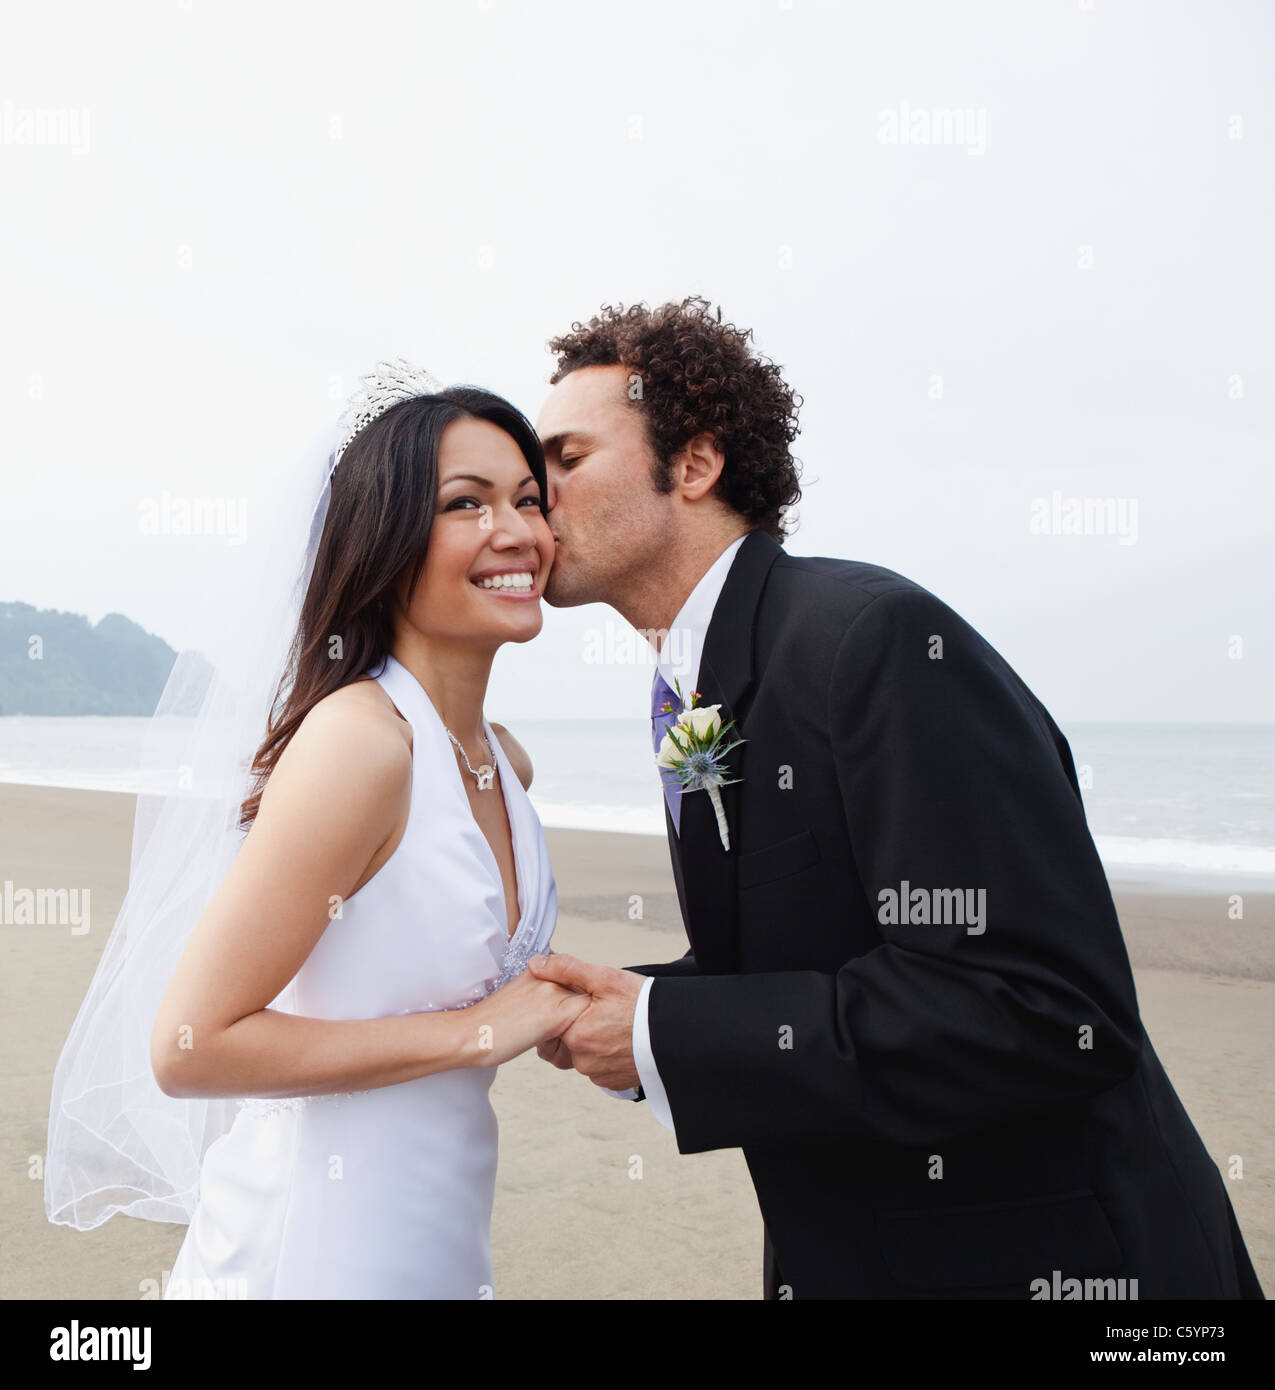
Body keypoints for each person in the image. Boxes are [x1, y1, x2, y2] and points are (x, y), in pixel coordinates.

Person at [528, 296, 1265, 1300]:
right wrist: (621, 1007)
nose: (535, 494)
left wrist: (665, 1032)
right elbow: (809, 955)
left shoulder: (873, 640)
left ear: (693, 466)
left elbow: (1043, 1005)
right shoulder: (691, 685)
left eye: (565, 457)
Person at [45, 367, 584, 1298]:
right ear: (385, 540)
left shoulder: (503, 760)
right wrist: (473, 1033)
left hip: (437, 1241)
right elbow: (190, 1046)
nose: (516, 533)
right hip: (313, 1251)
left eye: (528, 500)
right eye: (466, 503)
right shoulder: (361, 744)